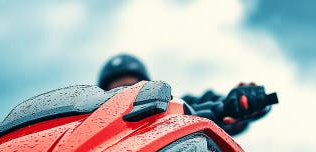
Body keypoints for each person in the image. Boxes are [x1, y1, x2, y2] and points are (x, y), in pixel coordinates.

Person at [97, 53, 273, 136]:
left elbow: (214, 106)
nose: (124, 93)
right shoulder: (92, 125)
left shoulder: (173, 108)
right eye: (115, 91)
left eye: (131, 87)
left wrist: (236, 104)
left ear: (145, 87)